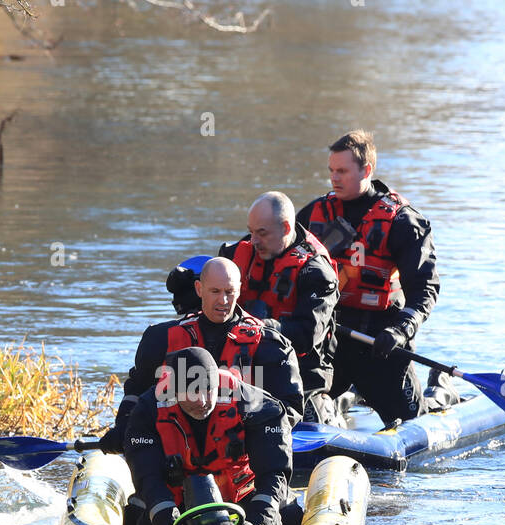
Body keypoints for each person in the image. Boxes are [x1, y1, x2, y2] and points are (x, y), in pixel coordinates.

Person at [296, 129, 456, 426]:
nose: (334, 178)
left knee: (411, 420)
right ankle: (343, 397)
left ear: (366, 170)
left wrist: (400, 331)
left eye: (342, 171)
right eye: (331, 170)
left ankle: (441, 391)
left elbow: (425, 289)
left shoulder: (403, 222)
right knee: (302, 405)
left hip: (381, 343)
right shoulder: (315, 214)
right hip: (332, 339)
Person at [99, 257, 303, 454]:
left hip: (241, 457)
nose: (223, 300)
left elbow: (290, 408)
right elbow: (136, 391)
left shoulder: (270, 344)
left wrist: (257, 431)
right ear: (199, 289)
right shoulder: (159, 338)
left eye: (229, 292)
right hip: (176, 453)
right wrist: (124, 428)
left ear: (239, 291)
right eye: (215, 291)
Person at [123, 346, 301, 525]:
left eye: (208, 390)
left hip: (243, 504)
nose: (202, 401)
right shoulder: (148, 410)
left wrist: (258, 524)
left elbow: (274, 473)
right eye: (191, 392)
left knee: (283, 512)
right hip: (177, 506)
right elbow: (148, 477)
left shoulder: (258, 407)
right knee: (140, 512)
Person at [217, 192, 339, 420]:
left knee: (307, 421)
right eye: (251, 231)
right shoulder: (236, 254)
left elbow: (306, 335)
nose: (253, 240)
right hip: (242, 369)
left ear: (285, 227)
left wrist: (258, 326)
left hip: (299, 374)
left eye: (261, 233)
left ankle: (330, 409)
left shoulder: (316, 272)